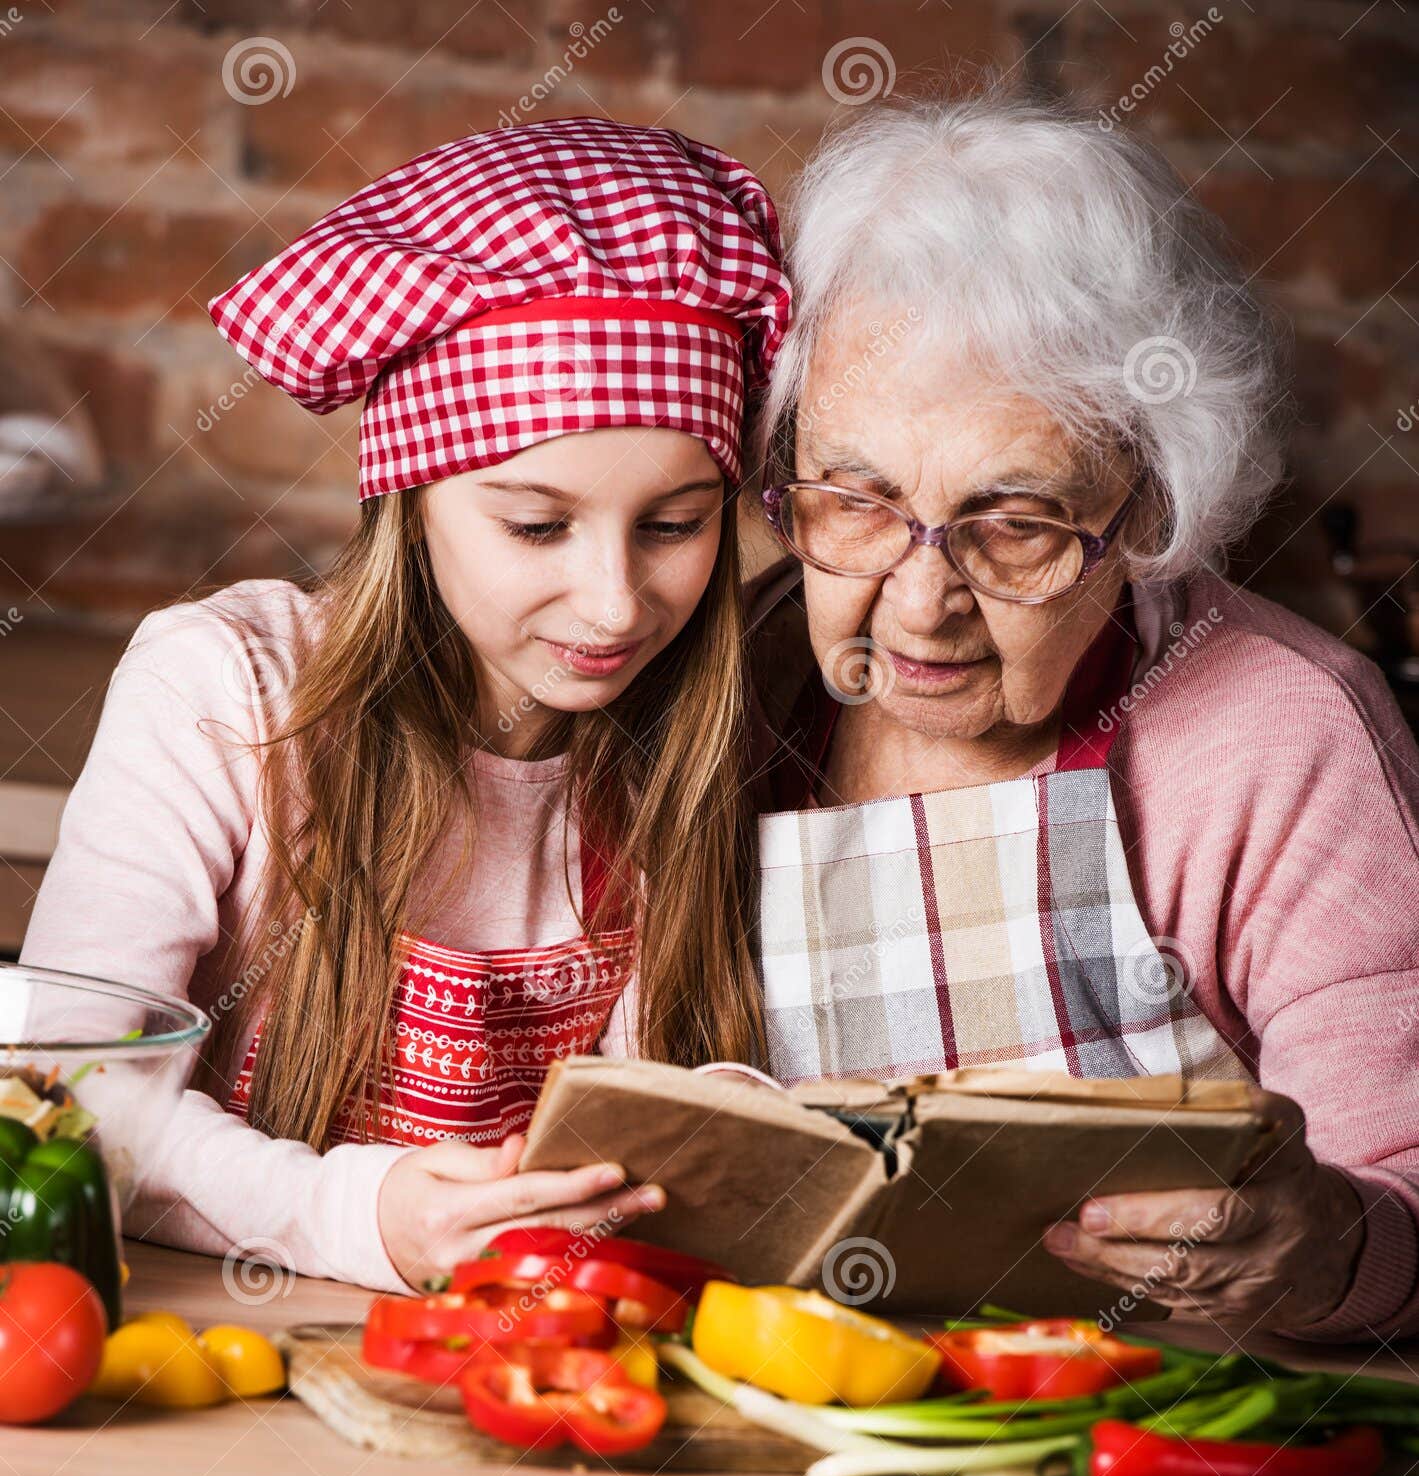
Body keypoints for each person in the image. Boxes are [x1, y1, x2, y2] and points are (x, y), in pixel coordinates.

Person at [22, 117, 789, 1295]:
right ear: (411, 501)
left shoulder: (704, 742)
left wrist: (725, 1129)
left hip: (529, 1368)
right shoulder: (225, 688)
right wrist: (358, 1213)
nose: (615, 600)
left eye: (676, 524)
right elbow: (67, 1090)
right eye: (537, 525)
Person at [746, 93, 1419, 1340]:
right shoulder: (723, 683)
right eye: (855, 497)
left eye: (1017, 523)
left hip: (1153, 1445)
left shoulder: (1284, 733)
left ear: (1151, 510)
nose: (922, 601)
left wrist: (1328, 1249)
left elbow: (1403, 1201)